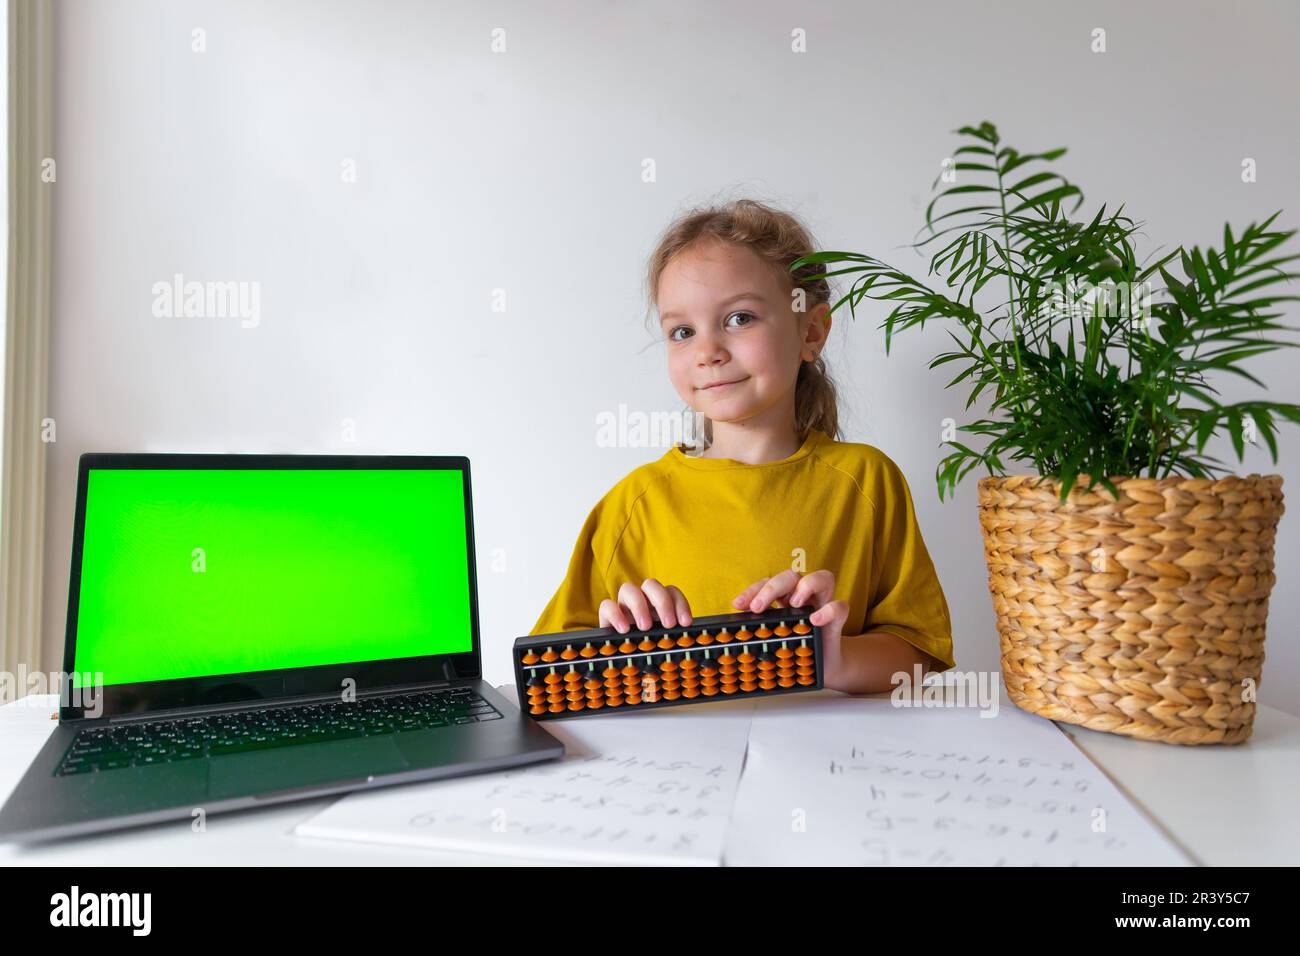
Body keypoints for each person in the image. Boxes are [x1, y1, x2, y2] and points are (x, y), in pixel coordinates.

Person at [530, 198, 954, 693]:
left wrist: (832, 659)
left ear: (811, 331)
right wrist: (622, 643)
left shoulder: (867, 481)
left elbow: (921, 655)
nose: (707, 352)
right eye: (682, 331)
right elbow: (550, 673)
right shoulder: (632, 504)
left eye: (739, 319)